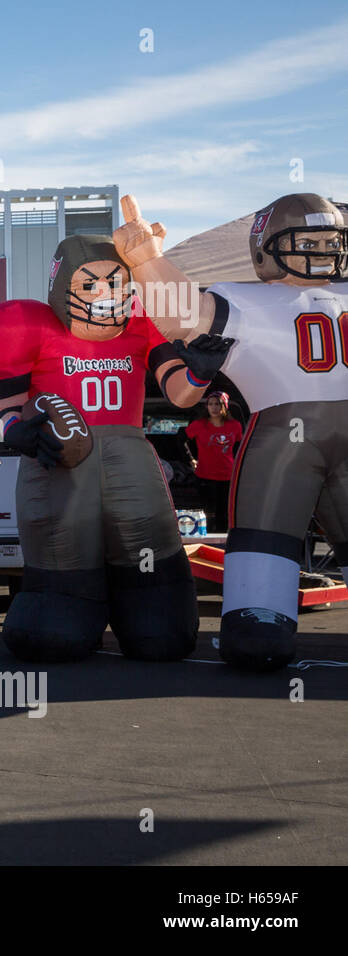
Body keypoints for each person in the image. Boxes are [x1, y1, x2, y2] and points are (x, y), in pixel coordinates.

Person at [116, 192, 348, 670]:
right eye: (307, 240)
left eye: (330, 240)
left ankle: (258, 617)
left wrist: (148, 262)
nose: (322, 249)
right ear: (270, 246)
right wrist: (147, 262)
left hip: (287, 434)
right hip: (283, 436)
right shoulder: (244, 298)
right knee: (267, 535)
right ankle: (259, 617)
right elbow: (182, 319)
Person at [0, 237, 205, 662]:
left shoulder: (140, 324)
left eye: (115, 283)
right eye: (89, 284)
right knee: (60, 577)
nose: (104, 295)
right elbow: (8, 407)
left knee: (153, 588)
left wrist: (200, 375)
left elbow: (181, 395)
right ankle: (62, 609)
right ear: (62, 287)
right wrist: (16, 427)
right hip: (61, 457)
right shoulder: (32, 325)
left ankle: (152, 612)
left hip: (129, 453)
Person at [183, 390, 243, 533]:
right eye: (210, 404)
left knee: (224, 513)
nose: (214, 407)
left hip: (228, 476)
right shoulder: (199, 425)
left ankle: (223, 543)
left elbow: (240, 446)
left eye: (218, 404)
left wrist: (238, 464)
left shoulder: (235, 426)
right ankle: (207, 540)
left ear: (225, 406)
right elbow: (182, 440)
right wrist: (190, 459)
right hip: (204, 475)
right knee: (207, 513)